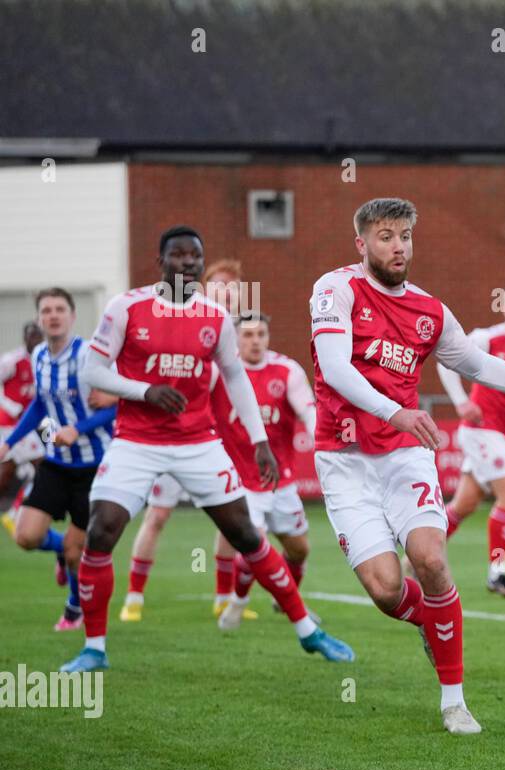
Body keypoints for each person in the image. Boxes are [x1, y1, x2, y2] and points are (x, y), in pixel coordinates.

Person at [309, 197, 505, 733]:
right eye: (385, 236)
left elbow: (477, 363)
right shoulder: (336, 290)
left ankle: (454, 700)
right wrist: (396, 411)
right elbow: (334, 368)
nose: (397, 245)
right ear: (361, 244)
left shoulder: (428, 310)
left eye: (404, 235)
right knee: (384, 590)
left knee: (429, 558)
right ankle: (433, 621)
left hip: (405, 456)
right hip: (345, 460)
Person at [72, 225, 352, 673]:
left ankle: (307, 630)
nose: (188, 262)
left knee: (246, 534)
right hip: (136, 441)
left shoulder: (216, 318)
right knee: (101, 531)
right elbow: (93, 371)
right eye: (179, 255)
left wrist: (260, 441)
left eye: (195, 256)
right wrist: (146, 391)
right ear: (161, 261)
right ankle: (94, 648)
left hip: (197, 442)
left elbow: (236, 377)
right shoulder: (126, 307)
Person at [119, 259, 252, 621]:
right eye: (219, 286)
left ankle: (223, 598)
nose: (227, 293)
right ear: (204, 288)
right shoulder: (181, 321)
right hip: (167, 436)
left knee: (231, 518)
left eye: (233, 288)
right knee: (157, 515)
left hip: (213, 441)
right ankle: (134, 596)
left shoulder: (239, 333)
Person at [0, 289, 117, 630]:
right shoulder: (37, 355)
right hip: (56, 463)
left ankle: (74, 608)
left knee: (77, 552)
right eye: (46, 310)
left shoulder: (88, 357)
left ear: (72, 315)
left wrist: (77, 428)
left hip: (92, 467)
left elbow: (116, 407)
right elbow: (39, 405)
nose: (53, 315)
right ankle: (60, 548)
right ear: (39, 318)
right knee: (25, 536)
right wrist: (9, 443)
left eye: (59, 309)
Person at [436, 283, 505, 598]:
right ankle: (497, 573)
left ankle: (416, 557)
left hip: (501, 432)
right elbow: (446, 361)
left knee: (463, 505)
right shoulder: (486, 338)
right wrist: (460, 401)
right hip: (481, 428)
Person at [209, 312, 317, 630]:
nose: (255, 341)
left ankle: (285, 600)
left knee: (299, 550)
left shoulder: (287, 370)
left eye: (261, 335)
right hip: (239, 481)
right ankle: (238, 602)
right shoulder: (220, 372)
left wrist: (318, 438)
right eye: (248, 335)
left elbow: (308, 412)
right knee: (254, 543)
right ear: (235, 339)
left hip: (280, 481)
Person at [0, 322, 43, 518]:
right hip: (11, 423)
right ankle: (21, 507)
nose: (35, 340)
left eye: (38, 336)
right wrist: (10, 406)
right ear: (25, 338)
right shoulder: (12, 360)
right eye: (31, 336)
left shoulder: (44, 358)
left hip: (37, 421)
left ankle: (25, 506)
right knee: (16, 467)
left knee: (47, 457)